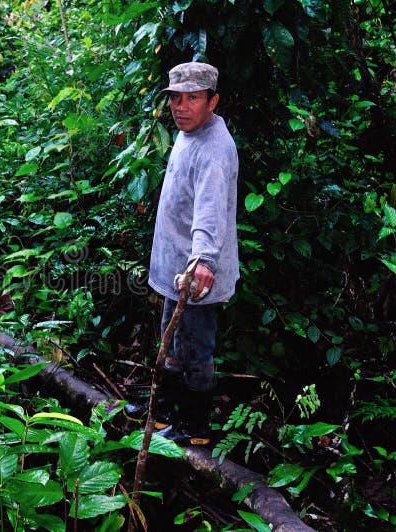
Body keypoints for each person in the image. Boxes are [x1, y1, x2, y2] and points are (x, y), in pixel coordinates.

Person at [126, 62, 239, 445]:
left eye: (193, 98)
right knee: (172, 343)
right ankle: (164, 410)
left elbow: (210, 209)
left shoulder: (213, 148)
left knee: (194, 349)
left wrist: (203, 261)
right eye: (176, 98)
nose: (182, 106)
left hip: (196, 275)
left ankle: (194, 426)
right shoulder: (188, 133)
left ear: (213, 101)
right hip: (176, 267)